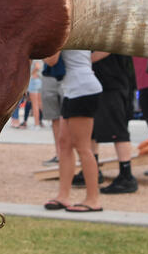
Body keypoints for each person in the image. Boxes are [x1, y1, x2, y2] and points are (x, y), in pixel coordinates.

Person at [41, 48, 104, 213]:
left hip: (82, 88)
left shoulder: (64, 30)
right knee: (65, 144)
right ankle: (63, 195)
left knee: (83, 147)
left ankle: (93, 199)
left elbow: (51, 59)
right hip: (71, 89)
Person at [92, 52, 139, 194]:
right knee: (91, 130)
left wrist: (85, 60)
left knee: (118, 131)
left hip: (113, 82)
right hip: (98, 81)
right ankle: (93, 170)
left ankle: (126, 175)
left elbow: (108, 47)